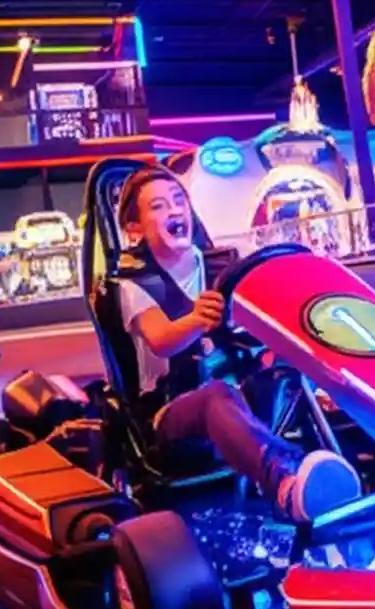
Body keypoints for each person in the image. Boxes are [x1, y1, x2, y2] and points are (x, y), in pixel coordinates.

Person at [115, 166, 361, 522]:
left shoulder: (223, 264)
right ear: (134, 228)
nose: (174, 210)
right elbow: (161, 340)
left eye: (178, 200)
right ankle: (286, 481)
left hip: (238, 393)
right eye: (158, 206)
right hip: (171, 414)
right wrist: (196, 319)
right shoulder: (134, 284)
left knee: (291, 370)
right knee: (216, 395)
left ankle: (373, 462)